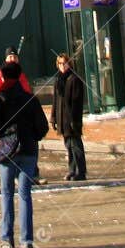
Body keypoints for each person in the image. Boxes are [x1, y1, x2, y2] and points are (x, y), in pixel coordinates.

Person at [0, 59, 50, 248]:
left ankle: (6, 237)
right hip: (28, 150)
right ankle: (27, 240)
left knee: (6, 193)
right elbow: (42, 126)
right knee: (25, 195)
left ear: (4, 77)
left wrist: (0, 137)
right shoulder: (31, 99)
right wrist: (32, 137)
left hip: (8, 153)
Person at [51, 52, 86, 181]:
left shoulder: (74, 79)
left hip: (71, 119)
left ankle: (80, 171)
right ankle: (72, 169)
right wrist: (53, 118)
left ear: (69, 64)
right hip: (62, 119)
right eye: (60, 63)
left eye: (64, 63)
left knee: (76, 145)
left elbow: (77, 102)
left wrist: (74, 120)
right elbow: (56, 101)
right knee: (68, 146)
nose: (62, 66)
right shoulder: (58, 80)